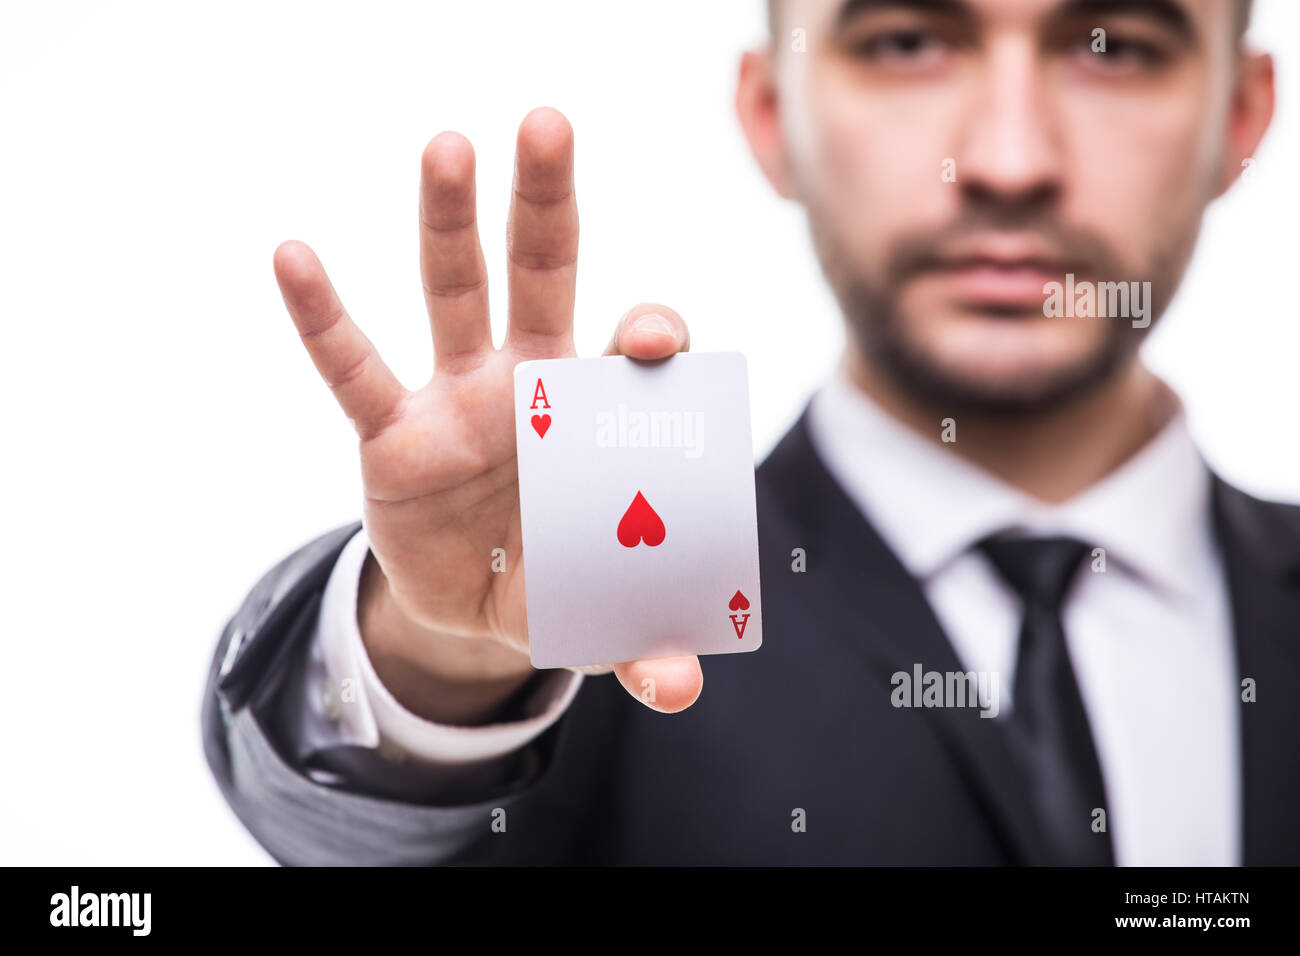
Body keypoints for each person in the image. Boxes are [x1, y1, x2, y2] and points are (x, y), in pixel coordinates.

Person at [202, 0, 1298, 865]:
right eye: (908, 39)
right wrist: (440, 661)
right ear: (773, 116)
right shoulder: (609, 646)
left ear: (1239, 120)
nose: (1009, 160)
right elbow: (359, 829)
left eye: (1116, 48)